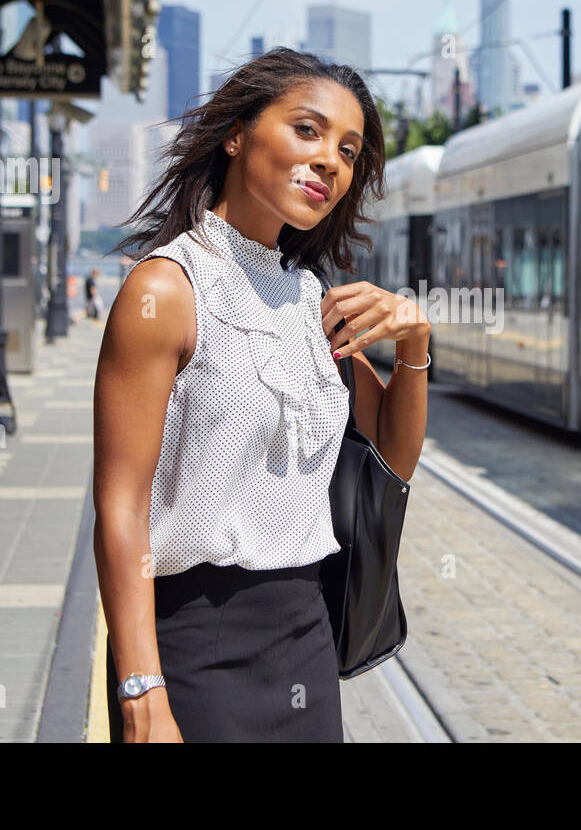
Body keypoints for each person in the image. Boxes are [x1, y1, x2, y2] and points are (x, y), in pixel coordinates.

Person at [94, 48, 431, 743]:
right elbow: (119, 507)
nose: (330, 161)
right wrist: (140, 690)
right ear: (237, 134)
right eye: (307, 130)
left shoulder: (310, 299)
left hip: (305, 638)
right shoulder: (166, 291)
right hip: (194, 647)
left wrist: (415, 346)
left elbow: (393, 458)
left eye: (347, 149)